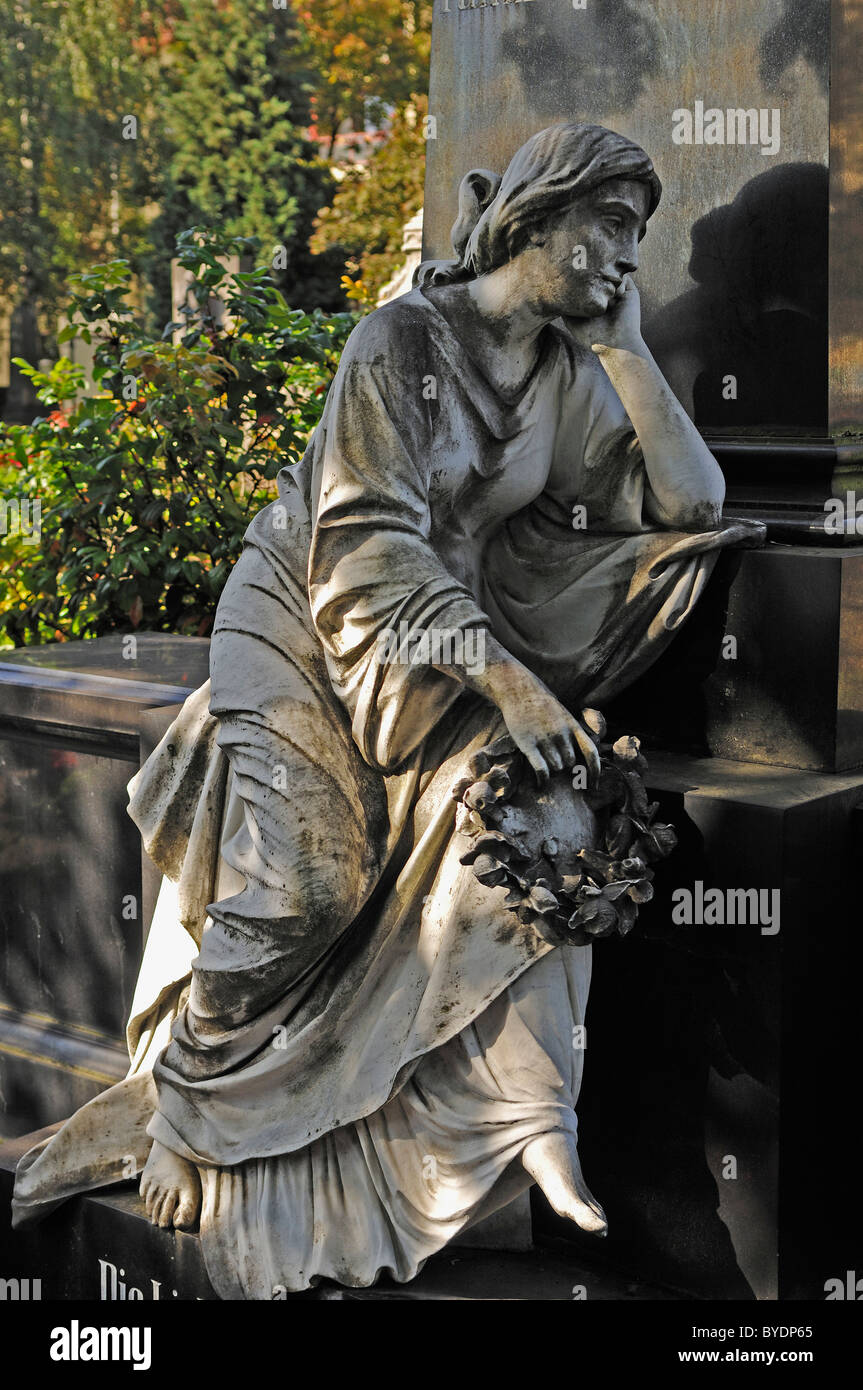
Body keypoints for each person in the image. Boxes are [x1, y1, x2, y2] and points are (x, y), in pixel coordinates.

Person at [13, 123, 761, 1298]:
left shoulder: (561, 374)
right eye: (608, 230)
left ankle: (525, 1118)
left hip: (435, 647)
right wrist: (510, 683)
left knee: (537, 812)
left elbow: (690, 498)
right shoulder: (399, 341)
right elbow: (361, 549)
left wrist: (623, 353)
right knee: (309, 880)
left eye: (637, 237)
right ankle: (187, 1110)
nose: (625, 257)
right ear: (537, 218)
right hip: (308, 618)